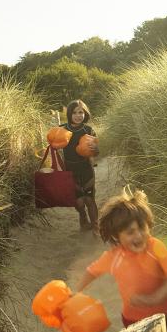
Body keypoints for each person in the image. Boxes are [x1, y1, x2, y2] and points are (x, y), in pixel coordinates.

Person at [78, 187, 167, 329]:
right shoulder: (114, 256)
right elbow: (92, 271)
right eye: (130, 232)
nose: (138, 236)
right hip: (131, 319)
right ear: (116, 236)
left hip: (160, 317)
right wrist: (76, 291)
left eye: (142, 228)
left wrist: (154, 299)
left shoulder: (156, 247)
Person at [61, 99, 99, 233]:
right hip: (70, 171)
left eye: (81, 112)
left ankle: (96, 226)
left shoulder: (88, 130)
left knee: (89, 200)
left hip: (86, 169)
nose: (78, 115)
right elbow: (54, 149)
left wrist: (95, 148)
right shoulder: (62, 130)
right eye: (75, 113)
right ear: (70, 114)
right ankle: (82, 215)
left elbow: (96, 152)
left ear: (85, 113)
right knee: (79, 202)